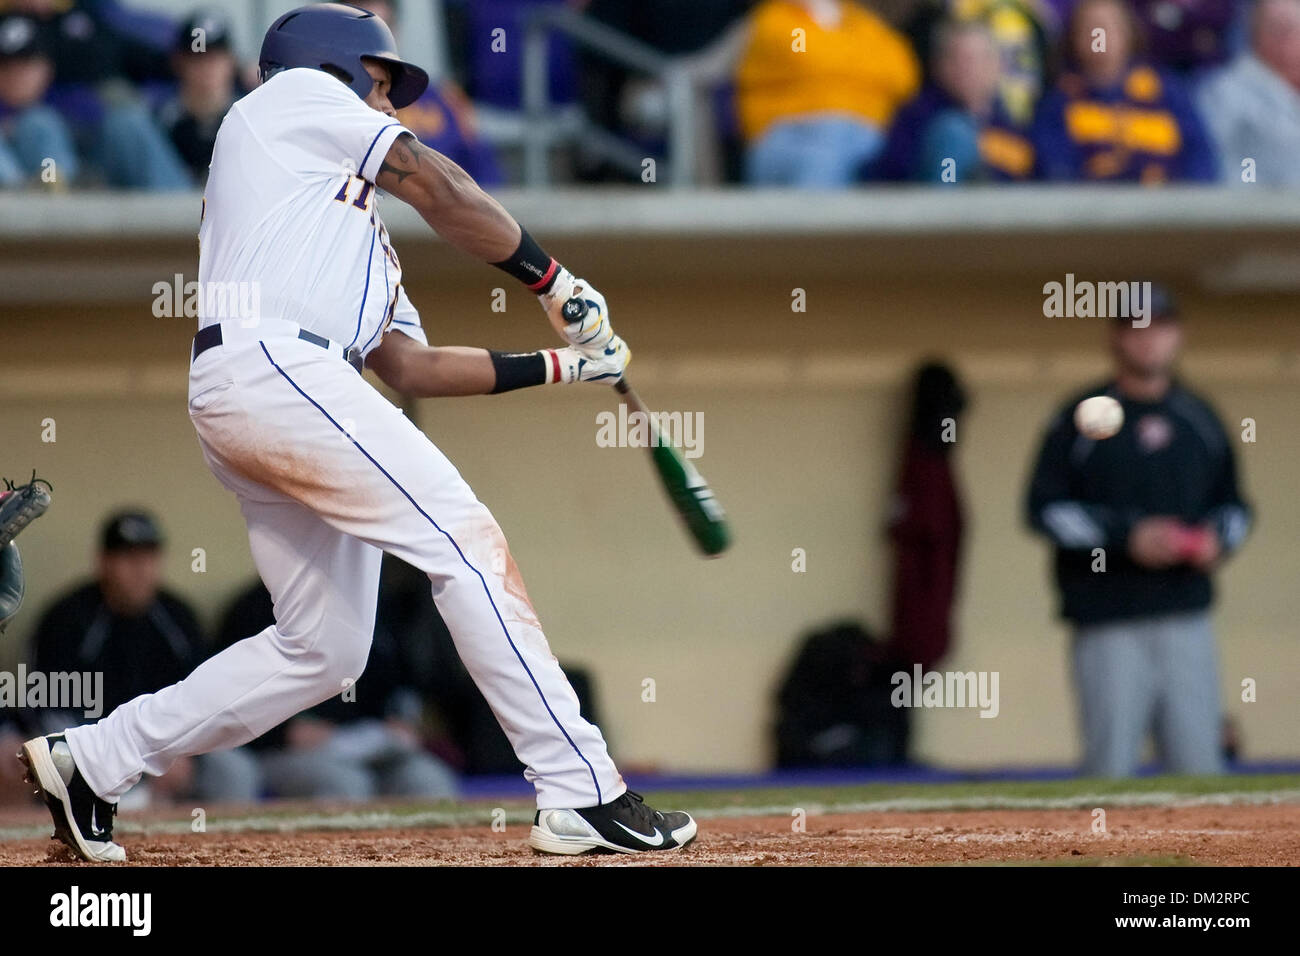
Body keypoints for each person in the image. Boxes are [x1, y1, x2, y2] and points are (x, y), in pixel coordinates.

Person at [19, 3, 695, 862]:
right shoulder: (289, 97)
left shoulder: (353, 235)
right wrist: (550, 278)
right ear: (332, 68)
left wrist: (565, 365)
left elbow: (411, 369)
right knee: (466, 541)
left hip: (268, 389)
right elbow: (437, 183)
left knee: (324, 648)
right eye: (380, 83)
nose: (390, 106)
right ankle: (580, 788)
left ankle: (96, 760)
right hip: (278, 369)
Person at [1025, 286, 1252, 778]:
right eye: (1136, 327)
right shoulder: (1084, 416)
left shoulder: (1199, 417)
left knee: (1200, 768)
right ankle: (1106, 857)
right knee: (1109, 769)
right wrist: (1126, 536)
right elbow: (1044, 510)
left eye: (1160, 326)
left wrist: (1217, 540)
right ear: (1116, 338)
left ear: (1178, 334)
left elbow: (1235, 507)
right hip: (1108, 618)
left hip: (1185, 615)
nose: (1149, 339)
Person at [26, 511, 262, 805]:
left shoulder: (177, 617)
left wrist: (183, 753)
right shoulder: (67, 619)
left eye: (148, 557)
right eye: (128, 558)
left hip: (171, 749)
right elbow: (50, 711)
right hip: (95, 750)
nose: (140, 569)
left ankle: (226, 851)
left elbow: (206, 701)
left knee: (234, 771)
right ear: (104, 562)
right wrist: (120, 759)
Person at [214, 569, 459, 801]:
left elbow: (399, 683)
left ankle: (422, 849)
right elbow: (228, 694)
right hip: (285, 750)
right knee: (346, 784)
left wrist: (400, 722)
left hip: (370, 744)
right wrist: (282, 732)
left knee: (427, 778)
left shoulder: (370, 602)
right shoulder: (255, 608)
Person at [735, 0, 920, 186]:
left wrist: (838, 60)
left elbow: (903, 74)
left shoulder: (858, 20)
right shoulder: (773, 19)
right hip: (788, 136)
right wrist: (861, 64)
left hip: (861, 135)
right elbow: (807, 57)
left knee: (875, 145)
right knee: (829, 144)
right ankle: (818, 213)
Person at [1031, 0, 1217, 183]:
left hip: (1169, 207)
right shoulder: (1059, 101)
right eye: (1092, 28)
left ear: (1129, 32)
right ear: (1074, 37)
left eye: (1110, 27)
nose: (1101, 38)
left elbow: (1200, 160)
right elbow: (1058, 173)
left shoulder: (1166, 91)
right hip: (1092, 209)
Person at [880, 19, 1034, 182]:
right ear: (937, 65)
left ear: (999, 65)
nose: (968, 69)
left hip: (997, 205)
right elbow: (890, 174)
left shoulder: (1011, 126)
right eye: (957, 59)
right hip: (934, 200)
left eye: (979, 59)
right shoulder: (916, 117)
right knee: (953, 136)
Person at [1197, 0, 1300, 186]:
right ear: (1256, 33)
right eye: (1281, 30)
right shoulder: (1225, 92)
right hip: (1264, 211)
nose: (1293, 41)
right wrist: (1252, 198)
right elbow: (1234, 165)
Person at [157, 10, 245, 184]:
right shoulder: (162, 120)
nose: (207, 68)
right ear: (179, 63)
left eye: (215, 58)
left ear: (231, 61)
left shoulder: (249, 116)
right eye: (198, 58)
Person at [0, 11, 79, 187]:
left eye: (26, 64)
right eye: (5, 65)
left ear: (47, 67)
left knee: (39, 121)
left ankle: (53, 185)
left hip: (63, 186)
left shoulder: (71, 100)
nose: (15, 75)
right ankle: (16, 188)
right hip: (9, 192)